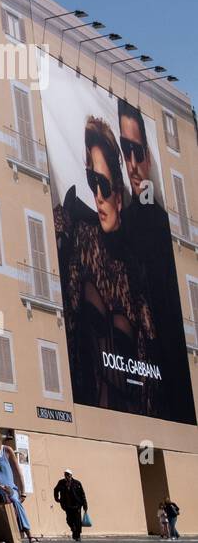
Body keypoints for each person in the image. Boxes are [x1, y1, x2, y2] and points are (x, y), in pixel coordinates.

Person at [56, 118, 157, 416]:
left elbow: (149, 364)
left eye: (103, 184)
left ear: (119, 193)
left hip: (134, 416)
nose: (98, 195)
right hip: (87, 406)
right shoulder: (81, 240)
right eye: (92, 181)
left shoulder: (137, 271)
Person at [117, 100, 191, 423]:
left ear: (148, 156)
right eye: (125, 150)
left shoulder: (164, 228)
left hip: (172, 378)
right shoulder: (120, 225)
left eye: (137, 152)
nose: (132, 164)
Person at [0, 425, 39, 543]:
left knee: (14, 499)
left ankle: (29, 534)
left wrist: (23, 491)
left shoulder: (6, 450)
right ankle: (8, 534)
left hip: (10, 488)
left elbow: (18, 473)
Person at [52, 470, 88, 541]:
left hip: (77, 505)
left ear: (71, 475)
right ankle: (73, 529)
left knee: (77, 521)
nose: (67, 476)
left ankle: (77, 536)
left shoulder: (77, 483)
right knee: (69, 520)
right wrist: (57, 498)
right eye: (65, 474)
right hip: (67, 505)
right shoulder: (61, 482)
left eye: (68, 475)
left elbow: (82, 494)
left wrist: (85, 505)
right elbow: (56, 490)